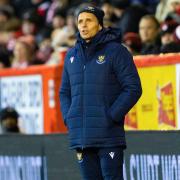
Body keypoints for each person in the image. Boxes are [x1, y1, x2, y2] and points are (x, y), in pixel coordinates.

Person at [59, 5, 142, 180]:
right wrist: (69, 116)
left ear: (100, 25)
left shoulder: (116, 51)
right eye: (80, 21)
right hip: (81, 137)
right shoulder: (71, 55)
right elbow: (64, 92)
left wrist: (111, 116)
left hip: (108, 136)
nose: (83, 25)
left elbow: (133, 87)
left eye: (89, 20)